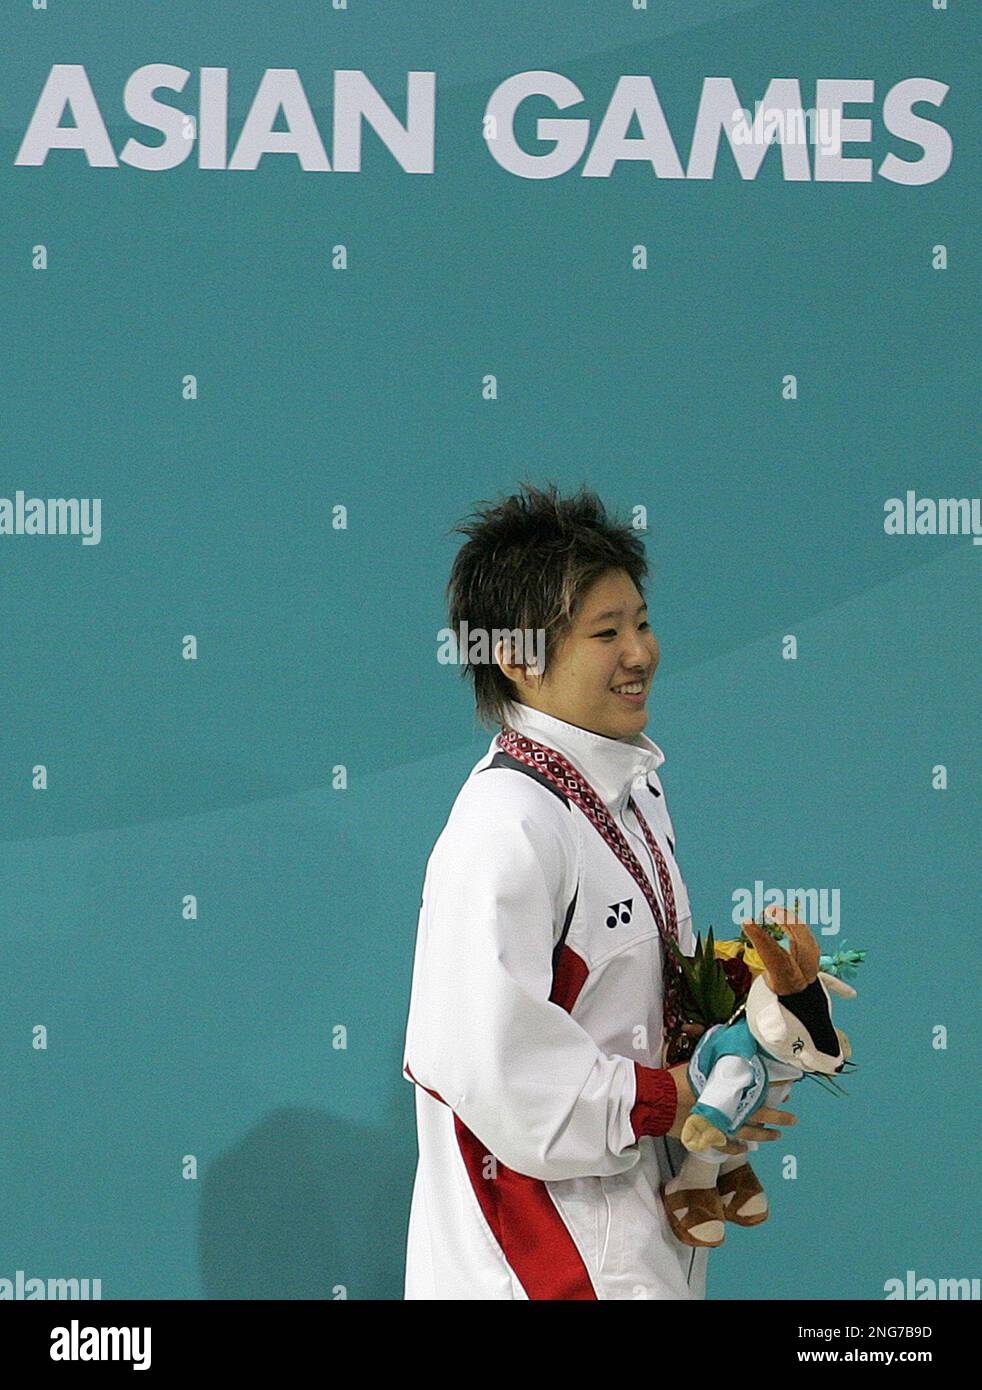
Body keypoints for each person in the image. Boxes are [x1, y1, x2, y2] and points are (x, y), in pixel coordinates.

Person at [401, 483, 796, 1300]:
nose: (640, 653)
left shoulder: (634, 791)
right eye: (605, 632)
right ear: (514, 655)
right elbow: (496, 1071)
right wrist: (675, 1095)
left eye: (642, 623)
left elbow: (635, 1019)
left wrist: (721, 1097)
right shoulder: (503, 826)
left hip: (638, 1251)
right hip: (538, 1270)